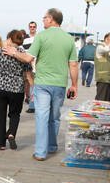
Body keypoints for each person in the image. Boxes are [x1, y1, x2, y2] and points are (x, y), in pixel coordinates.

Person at [27, 8, 78, 160]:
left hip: (43, 82)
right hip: (60, 83)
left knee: (42, 116)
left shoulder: (41, 36)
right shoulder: (69, 39)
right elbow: (74, 64)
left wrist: (14, 52)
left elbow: (29, 57)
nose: (43, 21)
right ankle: (51, 146)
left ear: (50, 19)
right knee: (54, 117)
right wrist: (74, 85)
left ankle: (41, 153)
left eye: (44, 18)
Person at [0, 29, 34, 151]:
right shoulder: (23, 54)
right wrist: (34, 90)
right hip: (17, 89)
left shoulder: (0, 51)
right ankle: (11, 133)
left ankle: (0, 143)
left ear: (10, 39)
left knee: (0, 116)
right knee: (15, 114)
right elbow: (28, 75)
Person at [94, 32, 110, 102]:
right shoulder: (100, 47)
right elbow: (106, 49)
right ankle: (96, 112)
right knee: (101, 99)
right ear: (106, 39)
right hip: (102, 78)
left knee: (105, 100)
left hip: (107, 78)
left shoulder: (108, 49)